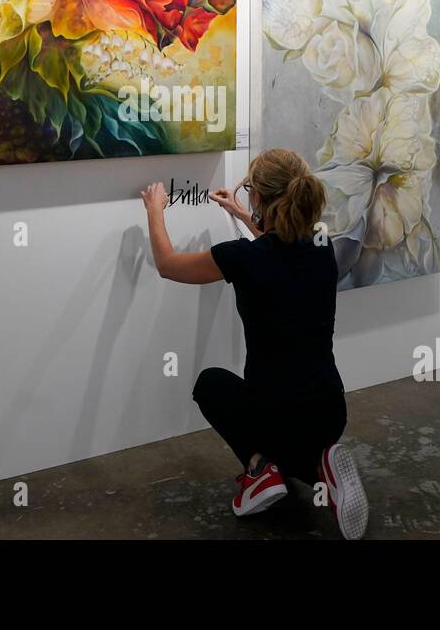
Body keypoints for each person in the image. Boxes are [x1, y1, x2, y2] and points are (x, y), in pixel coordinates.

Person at [140, 148, 368, 540]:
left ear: (259, 196)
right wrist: (242, 215)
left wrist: (155, 208)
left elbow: (167, 264)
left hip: (275, 415)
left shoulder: (243, 258)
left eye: (248, 189)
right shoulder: (322, 247)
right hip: (330, 411)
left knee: (210, 384)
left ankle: (261, 470)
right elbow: (279, 246)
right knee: (298, 443)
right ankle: (321, 470)